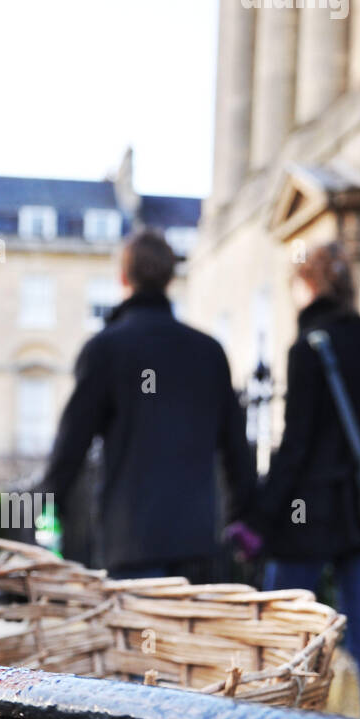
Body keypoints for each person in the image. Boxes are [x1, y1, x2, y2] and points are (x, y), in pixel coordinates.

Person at [41, 227, 255, 580]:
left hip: (132, 543)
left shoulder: (106, 349)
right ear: (171, 278)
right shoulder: (208, 352)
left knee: (137, 619)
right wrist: (242, 517)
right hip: (197, 542)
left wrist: (47, 508)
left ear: (123, 277)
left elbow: (71, 445)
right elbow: (236, 448)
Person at [246, 243, 360, 719]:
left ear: (307, 284)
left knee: (285, 632)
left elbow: (296, 445)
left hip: (307, 512)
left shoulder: (309, 346)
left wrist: (260, 518)